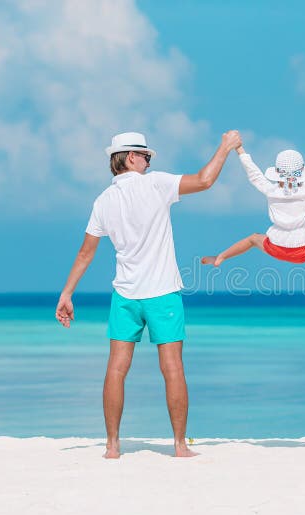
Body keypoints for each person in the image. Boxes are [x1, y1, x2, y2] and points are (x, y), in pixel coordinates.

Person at [55, 130, 242, 459]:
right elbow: (205, 180)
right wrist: (226, 146)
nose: (149, 161)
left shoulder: (103, 201)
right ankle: (180, 446)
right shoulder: (156, 185)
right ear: (130, 157)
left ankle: (112, 447)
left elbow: (86, 253)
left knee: (116, 369)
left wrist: (67, 293)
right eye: (146, 156)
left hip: (125, 296)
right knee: (172, 369)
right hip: (162, 294)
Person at [201, 144, 305, 267]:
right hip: (302, 250)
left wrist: (239, 149)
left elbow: (253, 173)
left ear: (277, 172)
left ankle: (220, 257)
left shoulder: (271, 190)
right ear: (301, 173)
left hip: (274, 247)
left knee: (253, 239)